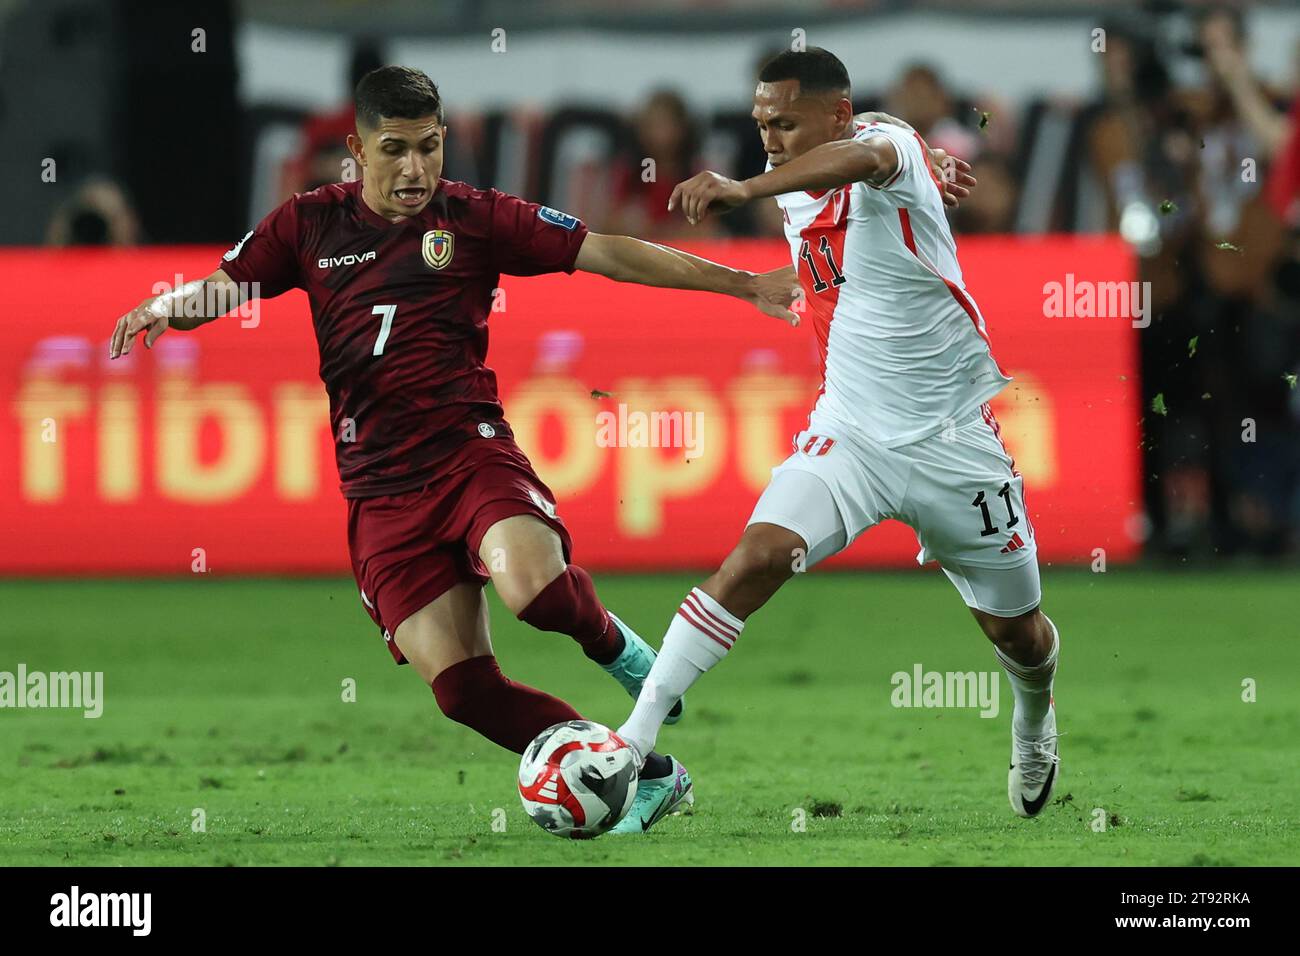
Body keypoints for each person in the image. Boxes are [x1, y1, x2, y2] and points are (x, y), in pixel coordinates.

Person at [108, 65, 800, 833]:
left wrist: (742, 285)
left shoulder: (474, 217)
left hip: (468, 453)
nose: (415, 169)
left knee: (534, 591)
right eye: (395, 149)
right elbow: (227, 289)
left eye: (430, 148)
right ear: (357, 149)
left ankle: (614, 645)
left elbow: (608, 252)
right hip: (376, 490)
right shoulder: (307, 224)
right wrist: (169, 306)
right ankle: (644, 775)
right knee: (462, 692)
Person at [615, 48, 1063, 823]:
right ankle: (632, 744)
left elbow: (869, 152)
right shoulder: (831, 171)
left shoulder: (885, 147)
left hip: (954, 442)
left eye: (785, 124)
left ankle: (1034, 720)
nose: (770, 140)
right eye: (761, 125)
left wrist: (747, 188)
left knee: (1017, 632)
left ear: (837, 113)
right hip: (850, 435)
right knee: (756, 557)